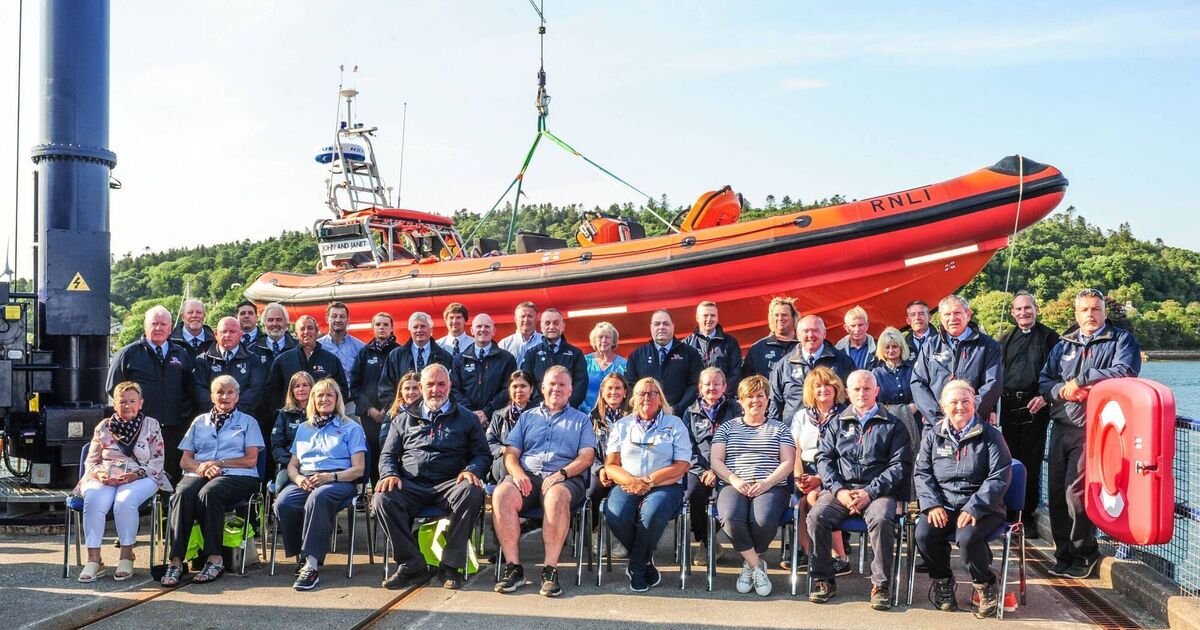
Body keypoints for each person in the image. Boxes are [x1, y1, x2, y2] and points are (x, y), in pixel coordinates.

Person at [1040, 288, 1141, 579]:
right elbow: (1045, 381)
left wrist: (1081, 380)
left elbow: (1125, 371)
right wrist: (1061, 390)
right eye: (1084, 310)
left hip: (1093, 431)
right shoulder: (1063, 344)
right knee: (1058, 493)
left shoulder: (1121, 340)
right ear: (1076, 313)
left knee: (1077, 495)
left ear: (1104, 312)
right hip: (1060, 427)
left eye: (1096, 309)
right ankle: (1063, 555)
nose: (1090, 315)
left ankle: (1085, 554)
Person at [376, 364, 489, 591]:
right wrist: (389, 473)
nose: (436, 390)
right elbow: (387, 454)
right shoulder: (403, 419)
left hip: (450, 484)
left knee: (472, 491)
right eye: (430, 384)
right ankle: (412, 565)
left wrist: (472, 470)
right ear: (420, 387)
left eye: (441, 384)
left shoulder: (467, 418)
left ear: (450, 386)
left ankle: (450, 566)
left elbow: (482, 454)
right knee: (382, 497)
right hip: (411, 485)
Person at [808, 370, 911, 609]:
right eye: (856, 389)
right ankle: (824, 580)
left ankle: (880, 585)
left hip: (878, 492)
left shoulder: (894, 425)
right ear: (848, 392)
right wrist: (839, 490)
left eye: (867, 388)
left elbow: (900, 466)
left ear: (876, 391)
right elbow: (824, 459)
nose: (862, 393)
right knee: (817, 517)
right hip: (841, 489)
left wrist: (870, 492)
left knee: (882, 518)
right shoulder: (836, 423)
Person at [493, 366, 596, 597]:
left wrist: (562, 473)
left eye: (562, 385)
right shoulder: (527, 417)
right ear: (542, 388)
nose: (556, 389)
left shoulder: (582, 420)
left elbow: (587, 457)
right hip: (528, 476)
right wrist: (517, 473)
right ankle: (513, 568)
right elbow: (511, 453)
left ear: (570, 391)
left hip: (565, 478)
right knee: (501, 494)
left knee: (556, 497)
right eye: (551, 384)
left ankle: (550, 570)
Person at [915, 380, 1013, 618]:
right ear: (943, 406)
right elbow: (922, 472)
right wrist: (932, 504)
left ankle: (986, 584)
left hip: (983, 508)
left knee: (967, 537)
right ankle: (943, 583)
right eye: (954, 402)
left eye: (966, 401)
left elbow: (999, 476)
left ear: (974, 403)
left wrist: (974, 507)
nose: (960, 406)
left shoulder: (991, 436)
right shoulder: (932, 436)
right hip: (943, 504)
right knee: (924, 534)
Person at [162, 375, 265, 587]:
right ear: (211, 396)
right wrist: (200, 466)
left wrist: (219, 463)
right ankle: (176, 560)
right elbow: (184, 460)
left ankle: (214, 558)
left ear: (237, 397)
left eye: (229, 392)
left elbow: (251, 460)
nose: (224, 396)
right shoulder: (199, 422)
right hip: (200, 473)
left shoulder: (248, 422)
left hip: (239, 475)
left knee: (210, 493)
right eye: (219, 392)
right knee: (183, 493)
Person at [274, 378, 368, 590]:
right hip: (306, 478)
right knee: (283, 502)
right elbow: (292, 465)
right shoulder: (304, 428)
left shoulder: (350, 427)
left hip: (339, 480)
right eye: (319, 395)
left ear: (337, 400)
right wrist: (298, 479)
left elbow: (359, 469)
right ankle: (302, 554)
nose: (324, 399)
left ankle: (312, 565)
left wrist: (331, 477)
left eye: (329, 395)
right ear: (312, 400)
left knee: (317, 498)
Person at [74, 382, 172, 582]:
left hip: (142, 475)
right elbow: (91, 461)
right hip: (105, 475)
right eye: (122, 402)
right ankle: (94, 560)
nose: (127, 406)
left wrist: (136, 474)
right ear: (115, 405)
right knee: (92, 499)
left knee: (124, 501)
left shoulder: (151, 425)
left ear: (141, 403)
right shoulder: (103, 427)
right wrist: (100, 475)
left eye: (132, 401)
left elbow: (158, 460)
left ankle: (127, 555)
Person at [709, 375, 796, 597]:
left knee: (763, 519)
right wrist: (735, 480)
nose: (755, 401)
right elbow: (716, 460)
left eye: (760, 396)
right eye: (749, 396)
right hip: (734, 483)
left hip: (771, 485)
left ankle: (750, 566)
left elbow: (788, 462)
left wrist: (767, 483)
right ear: (740, 400)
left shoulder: (781, 428)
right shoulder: (727, 428)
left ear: (768, 399)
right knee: (729, 516)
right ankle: (757, 565)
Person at [602, 377, 692, 592]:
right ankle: (644, 559)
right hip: (628, 483)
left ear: (660, 399)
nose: (647, 398)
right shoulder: (621, 426)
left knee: (651, 515)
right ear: (633, 399)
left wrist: (649, 481)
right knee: (615, 513)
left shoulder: (675, 424)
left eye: (653, 393)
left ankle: (636, 567)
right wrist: (632, 481)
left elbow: (682, 465)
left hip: (665, 485)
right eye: (642, 393)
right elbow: (611, 465)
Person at [107, 305, 195, 481]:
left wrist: (180, 415)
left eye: (163, 324)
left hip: (173, 429)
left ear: (170, 327)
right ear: (145, 326)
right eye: (154, 323)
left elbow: (189, 389)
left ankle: (168, 508)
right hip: (139, 429)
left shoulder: (181, 353)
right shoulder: (129, 353)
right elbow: (113, 388)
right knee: (141, 476)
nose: (159, 328)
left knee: (171, 477)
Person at [998, 291, 1059, 536]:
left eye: (1028, 308)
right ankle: (1009, 511)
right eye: (1019, 309)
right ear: (1013, 313)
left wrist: (1045, 397)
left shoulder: (1050, 338)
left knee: (1031, 462)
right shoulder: (1005, 339)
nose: (1023, 313)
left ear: (1036, 309)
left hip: (1036, 406)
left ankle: (1028, 514)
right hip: (1009, 406)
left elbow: (1058, 372)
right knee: (1009, 459)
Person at [789, 367, 851, 575]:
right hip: (804, 471)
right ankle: (809, 553)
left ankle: (840, 557)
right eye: (818, 385)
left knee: (815, 499)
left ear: (836, 388)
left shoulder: (846, 415)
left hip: (835, 471)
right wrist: (799, 477)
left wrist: (819, 478)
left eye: (827, 384)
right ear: (810, 390)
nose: (823, 389)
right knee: (798, 502)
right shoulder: (801, 416)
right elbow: (795, 450)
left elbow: (845, 456)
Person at [911, 295, 1002, 428]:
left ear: (968, 314)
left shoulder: (988, 346)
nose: (952, 318)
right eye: (947, 314)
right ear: (941, 318)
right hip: (937, 425)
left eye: (957, 313)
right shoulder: (929, 346)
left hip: (974, 423)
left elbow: (993, 383)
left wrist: (967, 414)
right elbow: (918, 383)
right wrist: (937, 418)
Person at [681, 367, 740, 564]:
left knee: (719, 497)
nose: (712, 388)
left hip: (728, 469)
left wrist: (717, 470)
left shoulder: (736, 410)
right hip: (697, 468)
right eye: (707, 384)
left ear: (724, 386)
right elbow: (686, 446)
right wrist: (702, 470)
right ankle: (708, 542)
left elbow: (739, 444)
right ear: (699, 387)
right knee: (690, 494)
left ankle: (709, 543)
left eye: (716, 384)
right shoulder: (689, 413)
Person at [768, 314, 855, 425]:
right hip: (793, 433)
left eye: (815, 330)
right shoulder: (784, 365)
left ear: (824, 334)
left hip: (834, 432)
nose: (810, 335)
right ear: (798, 335)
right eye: (806, 331)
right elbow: (774, 402)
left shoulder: (843, 362)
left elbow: (853, 397)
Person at [264, 315, 349, 424]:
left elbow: (342, 391)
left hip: (324, 420)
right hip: (291, 421)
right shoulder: (283, 360)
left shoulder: (331, 360)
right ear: (295, 334)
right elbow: (272, 393)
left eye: (310, 328)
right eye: (302, 329)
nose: (306, 331)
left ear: (317, 331)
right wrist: (285, 414)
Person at [349, 312, 399, 481]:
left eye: (386, 324)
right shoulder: (364, 353)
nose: (382, 327)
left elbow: (403, 383)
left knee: (392, 449)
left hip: (393, 413)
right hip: (369, 415)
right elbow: (354, 386)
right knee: (372, 451)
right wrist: (370, 409)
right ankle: (375, 487)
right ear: (373, 327)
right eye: (378, 324)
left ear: (392, 328)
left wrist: (388, 409)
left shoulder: (399, 352)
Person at [624, 310, 704, 412]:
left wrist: (677, 408)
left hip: (680, 417)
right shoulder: (637, 355)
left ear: (673, 326)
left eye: (666, 324)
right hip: (646, 416)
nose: (661, 327)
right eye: (657, 324)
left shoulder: (690, 353)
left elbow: (695, 384)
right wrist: (645, 407)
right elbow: (630, 386)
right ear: (651, 327)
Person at [587, 372, 631, 556]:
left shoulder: (635, 417)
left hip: (626, 470)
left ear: (625, 392)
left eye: (618, 388)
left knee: (626, 492)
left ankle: (621, 536)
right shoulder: (591, 418)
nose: (614, 392)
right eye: (610, 388)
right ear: (602, 391)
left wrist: (620, 472)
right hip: (599, 469)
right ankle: (596, 532)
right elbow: (586, 450)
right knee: (592, 490)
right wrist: (600, 470)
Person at [378, 312, 453, 413]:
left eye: (423, 326)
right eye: (415, 327)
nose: (419, 330)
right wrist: (397, 408)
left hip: (435, 412)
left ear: (431, 330)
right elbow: (385, 387)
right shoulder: (396, 355)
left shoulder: (445, 357)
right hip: (403, 415)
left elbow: (451, 387)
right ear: (410, 330)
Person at [192, 316, 267, 418]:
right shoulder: (203, 360)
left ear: (240, 335)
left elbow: (255, 389)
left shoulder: (253, 359)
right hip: (210, 418)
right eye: (223, 331)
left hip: (244, 418)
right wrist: (217, 410)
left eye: (232, 331)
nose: (227, 335)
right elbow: (198, 388)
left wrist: (234, 411)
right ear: (216, 334)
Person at [450, 313, 518, 424]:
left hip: (497, 419)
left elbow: (508, 389)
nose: (483, 329)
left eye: (487, 326)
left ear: (494, 330)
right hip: (466, 419)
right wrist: (472, 413)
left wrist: (486, 412)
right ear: (472, 331)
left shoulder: (507, 359)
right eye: (479, 326)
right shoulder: (459, 360)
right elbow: (454, 390)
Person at [519, 308, 589, 409]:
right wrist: (542, 406)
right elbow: (526, 383)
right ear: (541, 327)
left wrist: (567, 407)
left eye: (556, 323)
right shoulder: (531, 354)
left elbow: (581, 385)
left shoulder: (576, 354)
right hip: (538, 412)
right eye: (547, 323)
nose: (551, 327)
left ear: (563, 326)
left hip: (569, 412)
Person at [871, 327, 920, 456]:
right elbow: (873, 401)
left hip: (915, 419)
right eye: (887, 347)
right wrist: (896, 411)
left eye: (895, 347)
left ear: (901, 348)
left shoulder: (913, 369)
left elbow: (920, 392)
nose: (891, 351)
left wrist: (912, 408)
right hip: (888, 423)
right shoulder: (875, 374)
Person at [487, 370, 537, 484]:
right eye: (514, 386)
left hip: (528, 460)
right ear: (509, 390)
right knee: (507, 460)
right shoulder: (498, 415)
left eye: (523, 386)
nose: (519, 390)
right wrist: (502, 449)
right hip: (502, 462)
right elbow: (489, 441)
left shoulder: (538, 416)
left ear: (531, 389)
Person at [683, 301, 742, 391]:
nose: (709, 319)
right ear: (697, 318)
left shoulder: (730, 343)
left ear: (717, 318)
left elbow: (735, 374)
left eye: (713, 315)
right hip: (695, 402)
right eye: (705, 315)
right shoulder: (686, 345)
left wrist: (720, 393)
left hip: (724, 400)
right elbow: (682, 376)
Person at [270, 372, 314, 491]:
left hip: (315, 466)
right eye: (297, 386)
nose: (301, 389)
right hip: (289, 465)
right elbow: (277, 446)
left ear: (312, 388)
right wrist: (292, 464)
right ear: (291, 390)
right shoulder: (284, 414)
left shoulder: (320, 414)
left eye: (305, 385)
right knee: (280, 487)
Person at [741, 297, 799, 380]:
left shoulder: (803, 345)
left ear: (794, 317)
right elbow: (747, 382)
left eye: (784, 315)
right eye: (776, 315)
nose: (780, 318)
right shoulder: (757, 349)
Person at [582, 321, 627, 412]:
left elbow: (627, 390)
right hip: (586, 415)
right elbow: (576, 388)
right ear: (594, 340)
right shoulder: (584, 362)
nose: (604, 340)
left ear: (613, 340)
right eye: (600, 337)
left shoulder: (623, 364)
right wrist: (586, 411)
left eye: (607, 337)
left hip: (616, 416)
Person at [318, 301, 366, 380]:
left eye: (342, 316)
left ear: (348, 320)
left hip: (350, 392)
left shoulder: (360, 348)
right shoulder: (318, 346)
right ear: (327, 319)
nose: (338, 320)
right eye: (334, 316)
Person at [380, 371, 423, 446]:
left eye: (415, 388)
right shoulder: (392, 413)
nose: (411, 392)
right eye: (407, 388)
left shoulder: (429, 411)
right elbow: (384, 440)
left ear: (422, 390)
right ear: (401, 392)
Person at [498, 301, 543, 366]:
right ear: (515, 319)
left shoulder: (545, 342)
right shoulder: (504, 345)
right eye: (522, 316)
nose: (526, 320)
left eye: (530, 316)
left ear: (537, 319)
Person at [835, 306, 877, 370]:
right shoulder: (836, 352)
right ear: (846, 328)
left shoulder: (878, 349)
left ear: (867, 325)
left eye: (860, 325)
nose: (857, 329)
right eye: (853, 326)